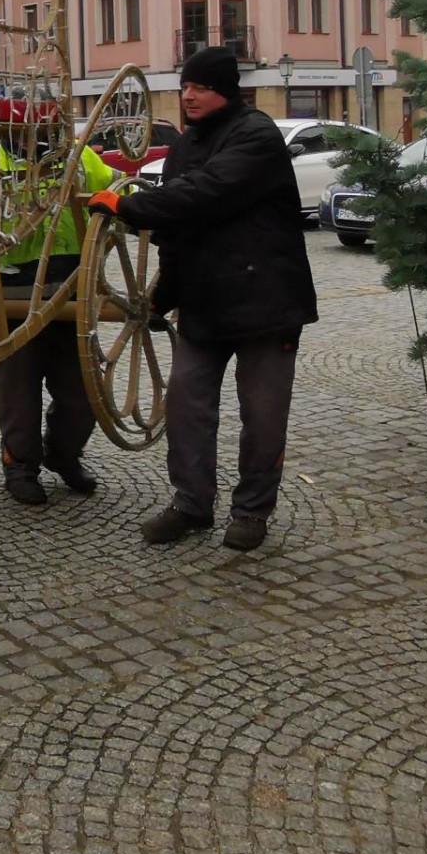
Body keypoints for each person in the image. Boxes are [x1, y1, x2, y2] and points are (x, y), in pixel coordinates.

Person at [87, 46, 317, 551]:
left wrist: (129, 207)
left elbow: (207, 193)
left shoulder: (255, 137)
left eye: (201, 87)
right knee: (188, 406)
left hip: (266, 304)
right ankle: (191, 505)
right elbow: (179, 230)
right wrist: (162, 295)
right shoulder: (186, 147)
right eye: (185, 86)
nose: (188, 95)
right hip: (204, 303)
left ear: (227, 90)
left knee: (262, 415)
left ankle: (252, 512)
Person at [0, 129, 117, 505]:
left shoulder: (79, 158)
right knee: (18, 392)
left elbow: (116, 192)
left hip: (72, 294)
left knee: (84, 392)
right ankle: (20, 465)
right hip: (14, 297)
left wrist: (129, 208)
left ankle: (63, 453)